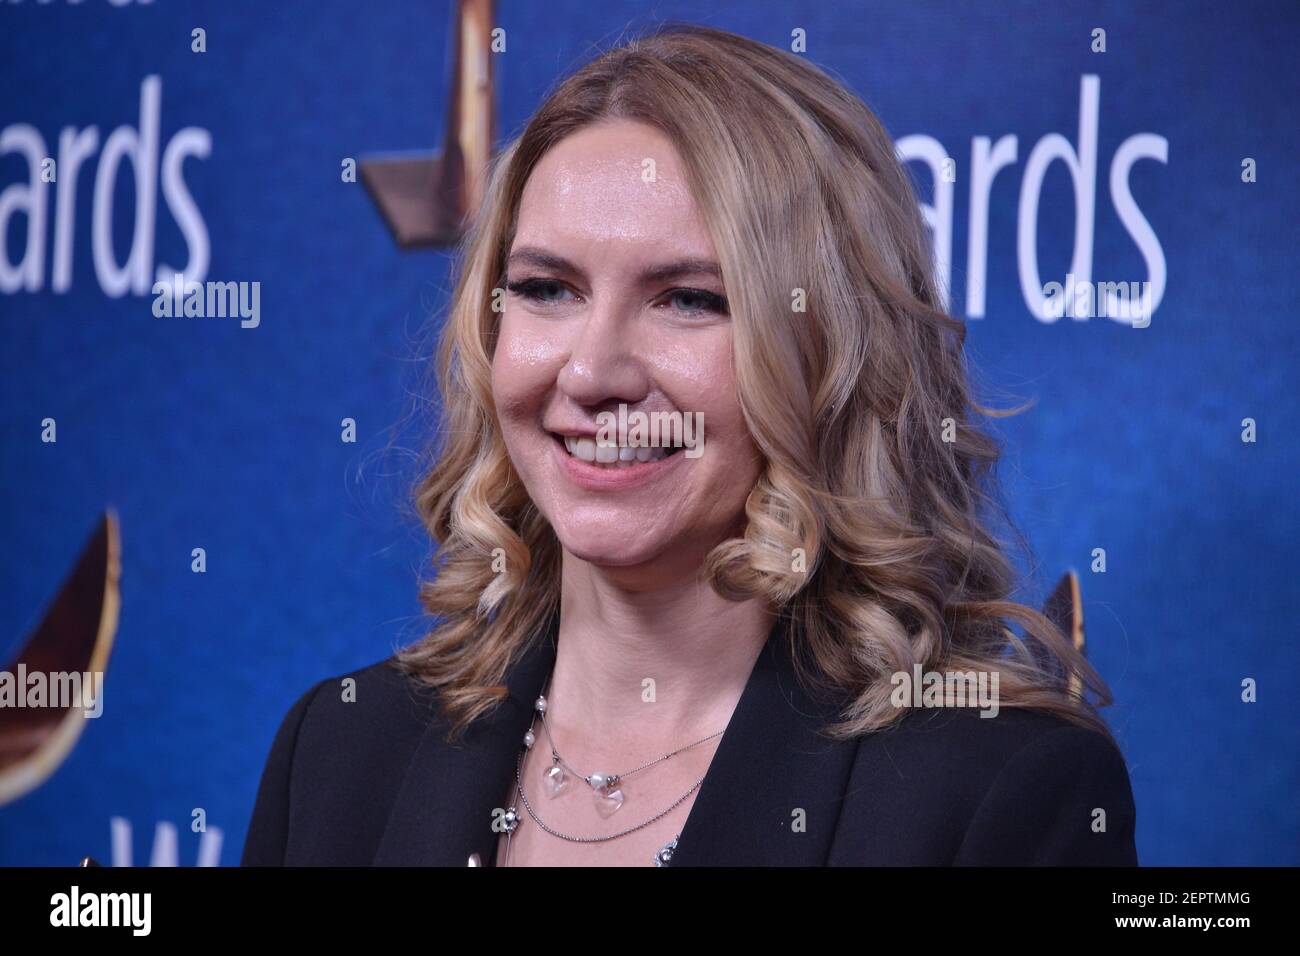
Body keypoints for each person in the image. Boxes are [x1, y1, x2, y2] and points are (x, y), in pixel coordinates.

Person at [242, 23, 1137, 867]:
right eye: (548, 288)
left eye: (690, 300)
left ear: (828, 352)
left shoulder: (999, 794)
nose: (593, 373)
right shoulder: (338, 753)